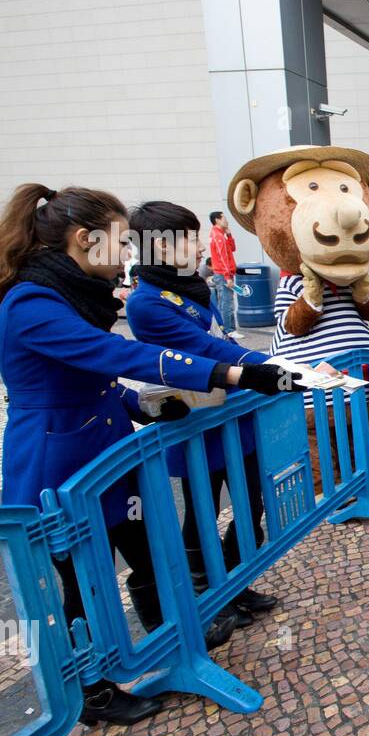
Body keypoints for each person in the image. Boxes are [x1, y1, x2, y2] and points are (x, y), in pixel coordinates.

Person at [0, 184, 299, 726]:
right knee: (71, 583)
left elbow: (91, 377)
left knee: (145, 555)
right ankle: (89, 692)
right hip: (56, 463)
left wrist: (139, 403)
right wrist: (231, 373)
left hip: (103, 451)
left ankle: (169, 645)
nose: (126, 256)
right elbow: (112, 354)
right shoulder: (31, 303)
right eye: (120, 243)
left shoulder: (67, 295)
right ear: (83, 240)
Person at [125, 200, 282, 628]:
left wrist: (257, 359)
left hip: (230, 414)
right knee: (203, 511)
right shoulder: (147, 302)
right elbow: (206, 349)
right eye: (189, 238)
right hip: (196, 421)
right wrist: (260, 363)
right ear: (158, 245)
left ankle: (236, 580)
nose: (198, 247)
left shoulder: (191, 286)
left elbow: (219, 335)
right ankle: (207, 593)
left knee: (251, 502)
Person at [208, 211, 241, 340]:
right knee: (227, 302)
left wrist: (229, 233)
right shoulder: (218, 236)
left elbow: (232, 249)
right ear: (217, 220)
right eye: (224, 218)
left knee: (224, 302)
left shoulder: (220, 235)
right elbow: (223, 257)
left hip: (222, 273)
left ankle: (227, 329)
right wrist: (227, 276)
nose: (226, 221)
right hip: (223, 273)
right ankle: (229, 330)